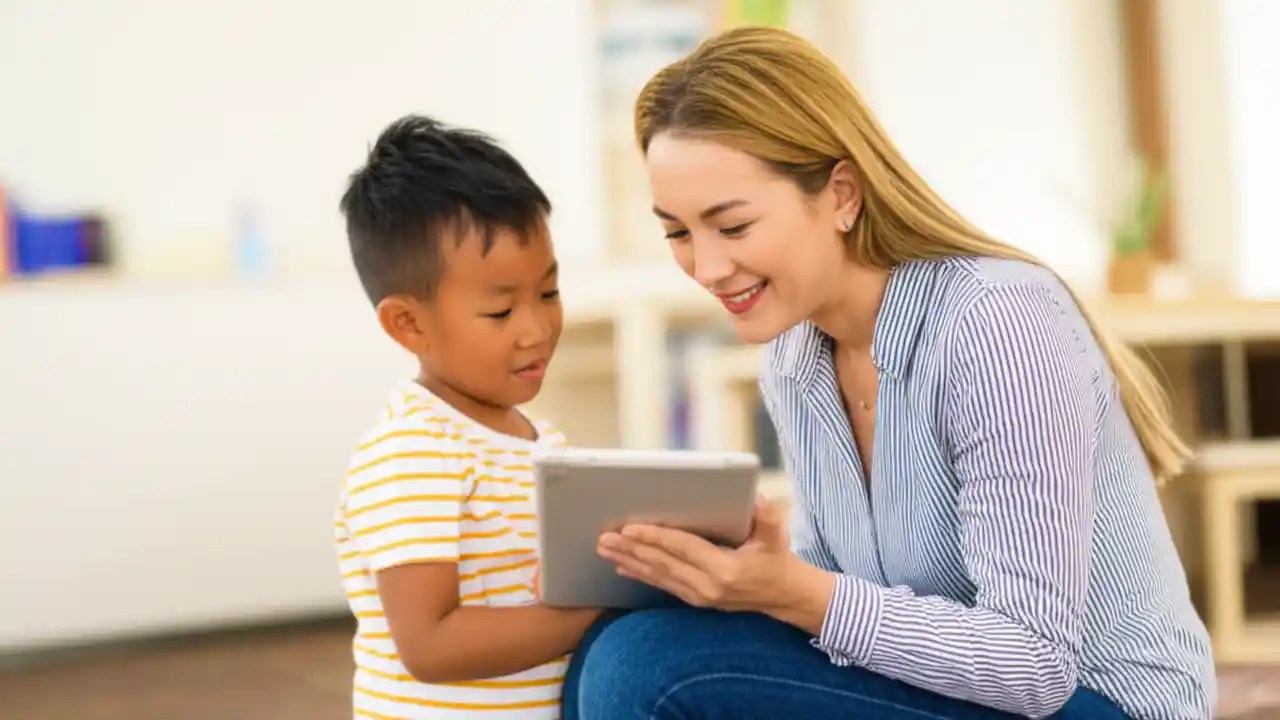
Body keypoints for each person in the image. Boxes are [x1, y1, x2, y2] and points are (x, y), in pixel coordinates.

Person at [566, 27, 1215, 720]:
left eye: (732, 227)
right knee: (607, 636)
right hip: (949, 695)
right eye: (678, 233)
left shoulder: (995, 322)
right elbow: (844, 605)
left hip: (1096, 701)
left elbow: (1032, 664)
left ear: (842, 194)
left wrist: (793, 592)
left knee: (644, 666)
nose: (706, 267)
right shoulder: (796, 355)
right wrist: (741, 575)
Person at [333, 115, 602, 719]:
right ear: (409, 323)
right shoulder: (411, 450)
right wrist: (593, 612)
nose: (536, 329)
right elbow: (430, 645)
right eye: (501, 311)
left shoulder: (542, 442)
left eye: (549, 294)